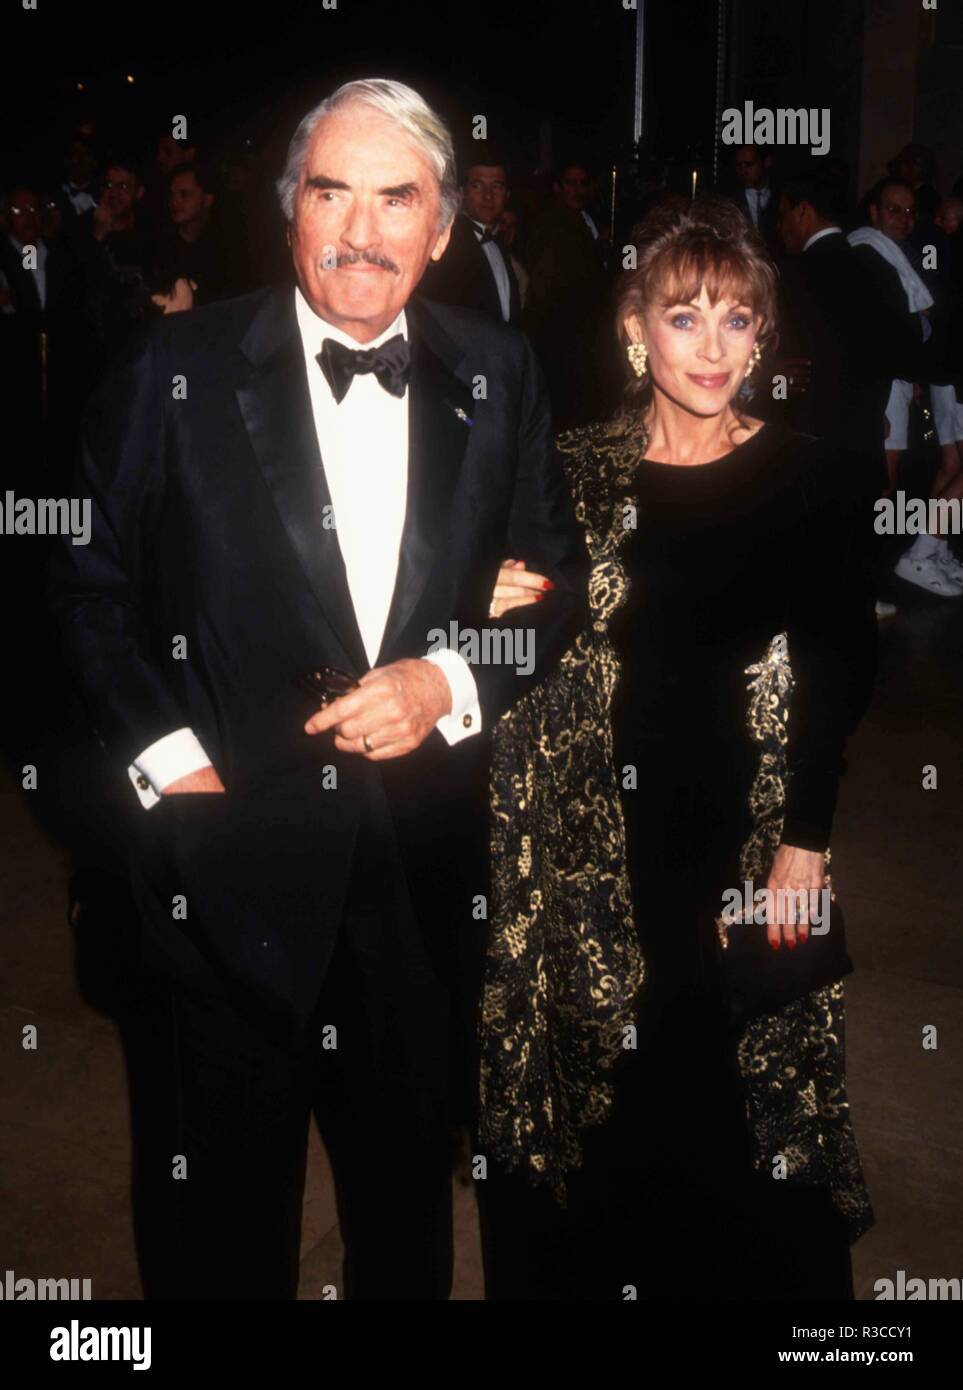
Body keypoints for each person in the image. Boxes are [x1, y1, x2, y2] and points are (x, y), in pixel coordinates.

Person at [50, 77, 588, 1302]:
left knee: (403, 1226)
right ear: (290, 210)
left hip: (420, 885)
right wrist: (169, 766)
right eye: (330, 192)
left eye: (396, 198)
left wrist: (450, 680)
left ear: (444, 226)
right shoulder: (173, 366)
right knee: (218, 1236)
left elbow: (559, 590)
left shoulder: (499, 370)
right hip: (221, 876)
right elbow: (83, 583)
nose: (359, 230)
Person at [477, 197, 874, 1299]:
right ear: (632, 328)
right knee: (609, 1096)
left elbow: (837, 679)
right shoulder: (569, 471)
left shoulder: (815, 479)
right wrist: (498, 595)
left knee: (740, 1100)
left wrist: (806, 842)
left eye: (738, 322)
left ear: (764, 337)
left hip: (742, 847)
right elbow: (519, 627)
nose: (712, 348)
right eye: (685, 316)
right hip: (591, 846)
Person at [418, 144, 522, 324]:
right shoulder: (443, 244)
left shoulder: (503, 240)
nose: (488, 196)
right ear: (461, 193)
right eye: (477, 186)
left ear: (507, 195)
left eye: (496, 187)